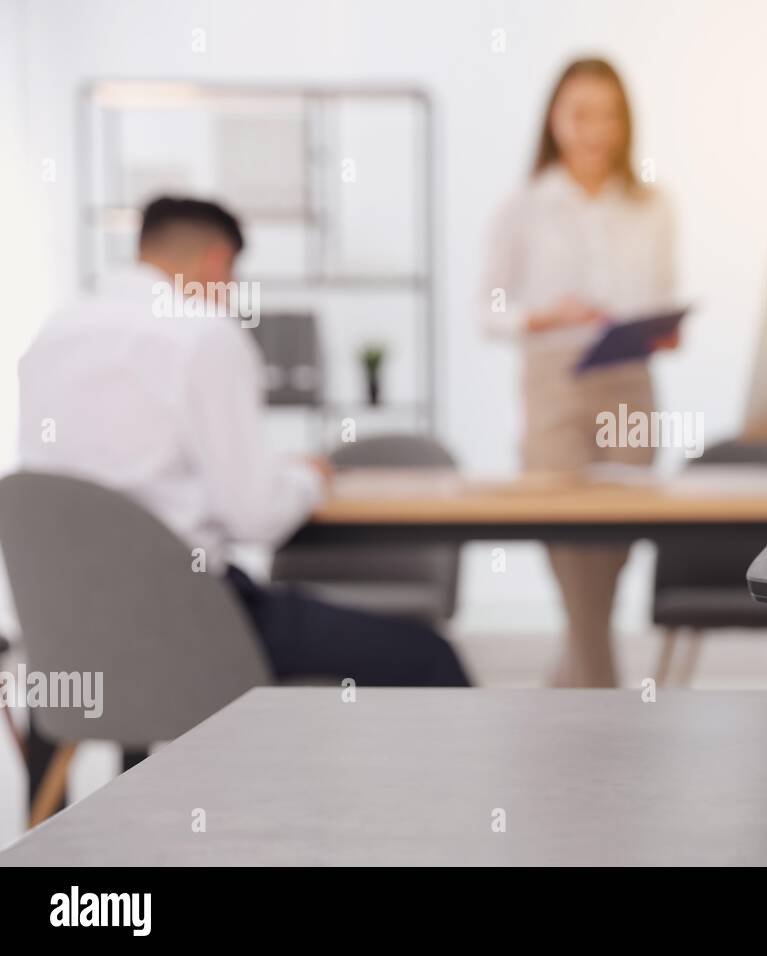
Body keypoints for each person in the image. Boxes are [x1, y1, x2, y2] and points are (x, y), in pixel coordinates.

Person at [18, 196, 471, 692]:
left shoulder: (54, 334)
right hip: (188, 620)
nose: (231, 293)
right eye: (232, 278)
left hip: (68, 628)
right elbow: (257, 518)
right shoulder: (203, 334)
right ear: (216, 260)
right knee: (428, 656)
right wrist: (308, 477)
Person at [480, 58, 679, 687]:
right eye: (580, 113)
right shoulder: (524, 205)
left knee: (613, 545)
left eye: (609, 114)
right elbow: (486, 310)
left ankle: (572, 683)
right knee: (566, 540)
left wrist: (660, 328)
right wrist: (540, 318)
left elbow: (662, 294)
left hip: (628, 383)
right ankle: (600, 685)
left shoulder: (654, 206)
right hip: (553, 385)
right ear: (554, 120)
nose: (595, 129)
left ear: (627, 124)